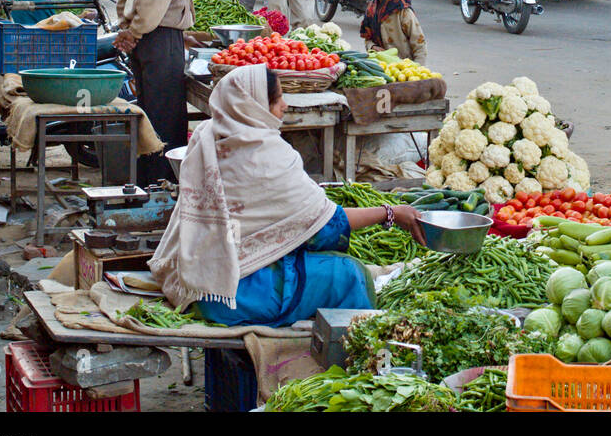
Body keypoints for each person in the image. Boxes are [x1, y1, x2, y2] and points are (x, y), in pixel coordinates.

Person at [148, 64, 427, 325]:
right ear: (255, 107)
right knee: (350, 275)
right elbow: (325, 226)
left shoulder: (209, 135)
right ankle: (356, 356)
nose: (285, 105)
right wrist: (390, 213)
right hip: (235, 294)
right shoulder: (265, 153)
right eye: (278, 98)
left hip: (197, 281)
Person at [114, 0, 203, 184]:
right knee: (164, 118)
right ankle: (158, 187)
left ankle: (145, 183)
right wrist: (136, 30)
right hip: (158, 37)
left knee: (150, 111)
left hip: (151, 35)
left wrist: (127, 26)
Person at [361, 0, 427, 62]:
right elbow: (368, 39)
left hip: (405, 70)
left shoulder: (402, 11)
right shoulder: (371, 9)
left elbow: (419, 45)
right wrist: (373, 47)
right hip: (381, 67)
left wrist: (418, 70)